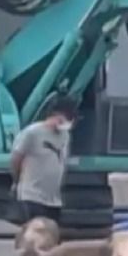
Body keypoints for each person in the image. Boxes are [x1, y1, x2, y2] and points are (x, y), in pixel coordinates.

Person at [9, 95, 77, 224]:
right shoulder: (32, 133)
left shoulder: (65, 136)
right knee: (34, 232)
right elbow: (16, 158)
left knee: (50, 235)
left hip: (54, 199)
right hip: (32, 196)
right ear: (57, 116)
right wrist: (17, 179)